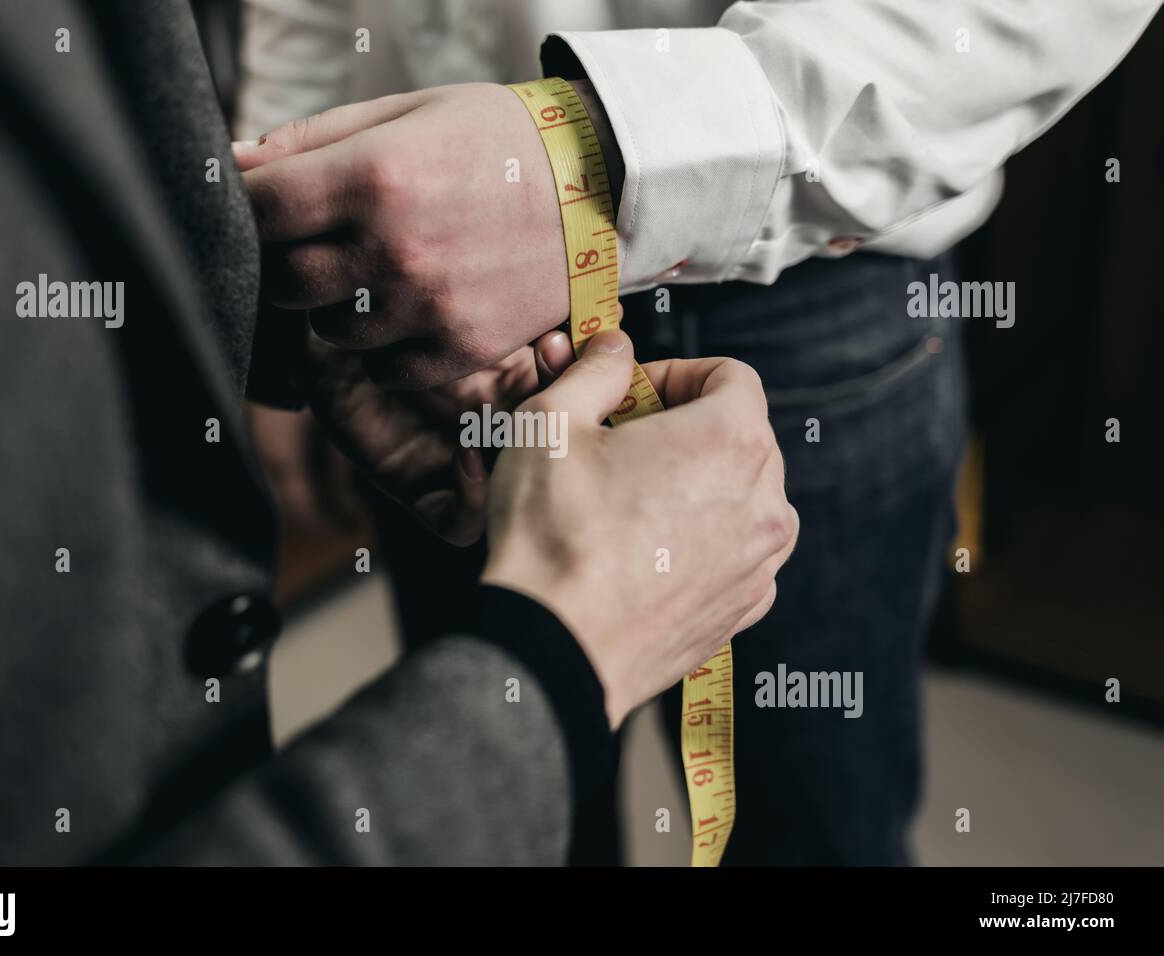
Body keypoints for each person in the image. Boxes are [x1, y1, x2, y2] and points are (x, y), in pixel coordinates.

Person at [0, 0, 795, 865]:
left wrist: (282, 332)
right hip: (420, 310)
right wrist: (555, 660)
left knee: (804, 819)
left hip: (759, 273)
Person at [233, 0, 1161, 864]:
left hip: (808, 269)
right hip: (422, 291)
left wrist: (602, 147)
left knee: (810, 830)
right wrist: (290, 298)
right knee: (502, 798)